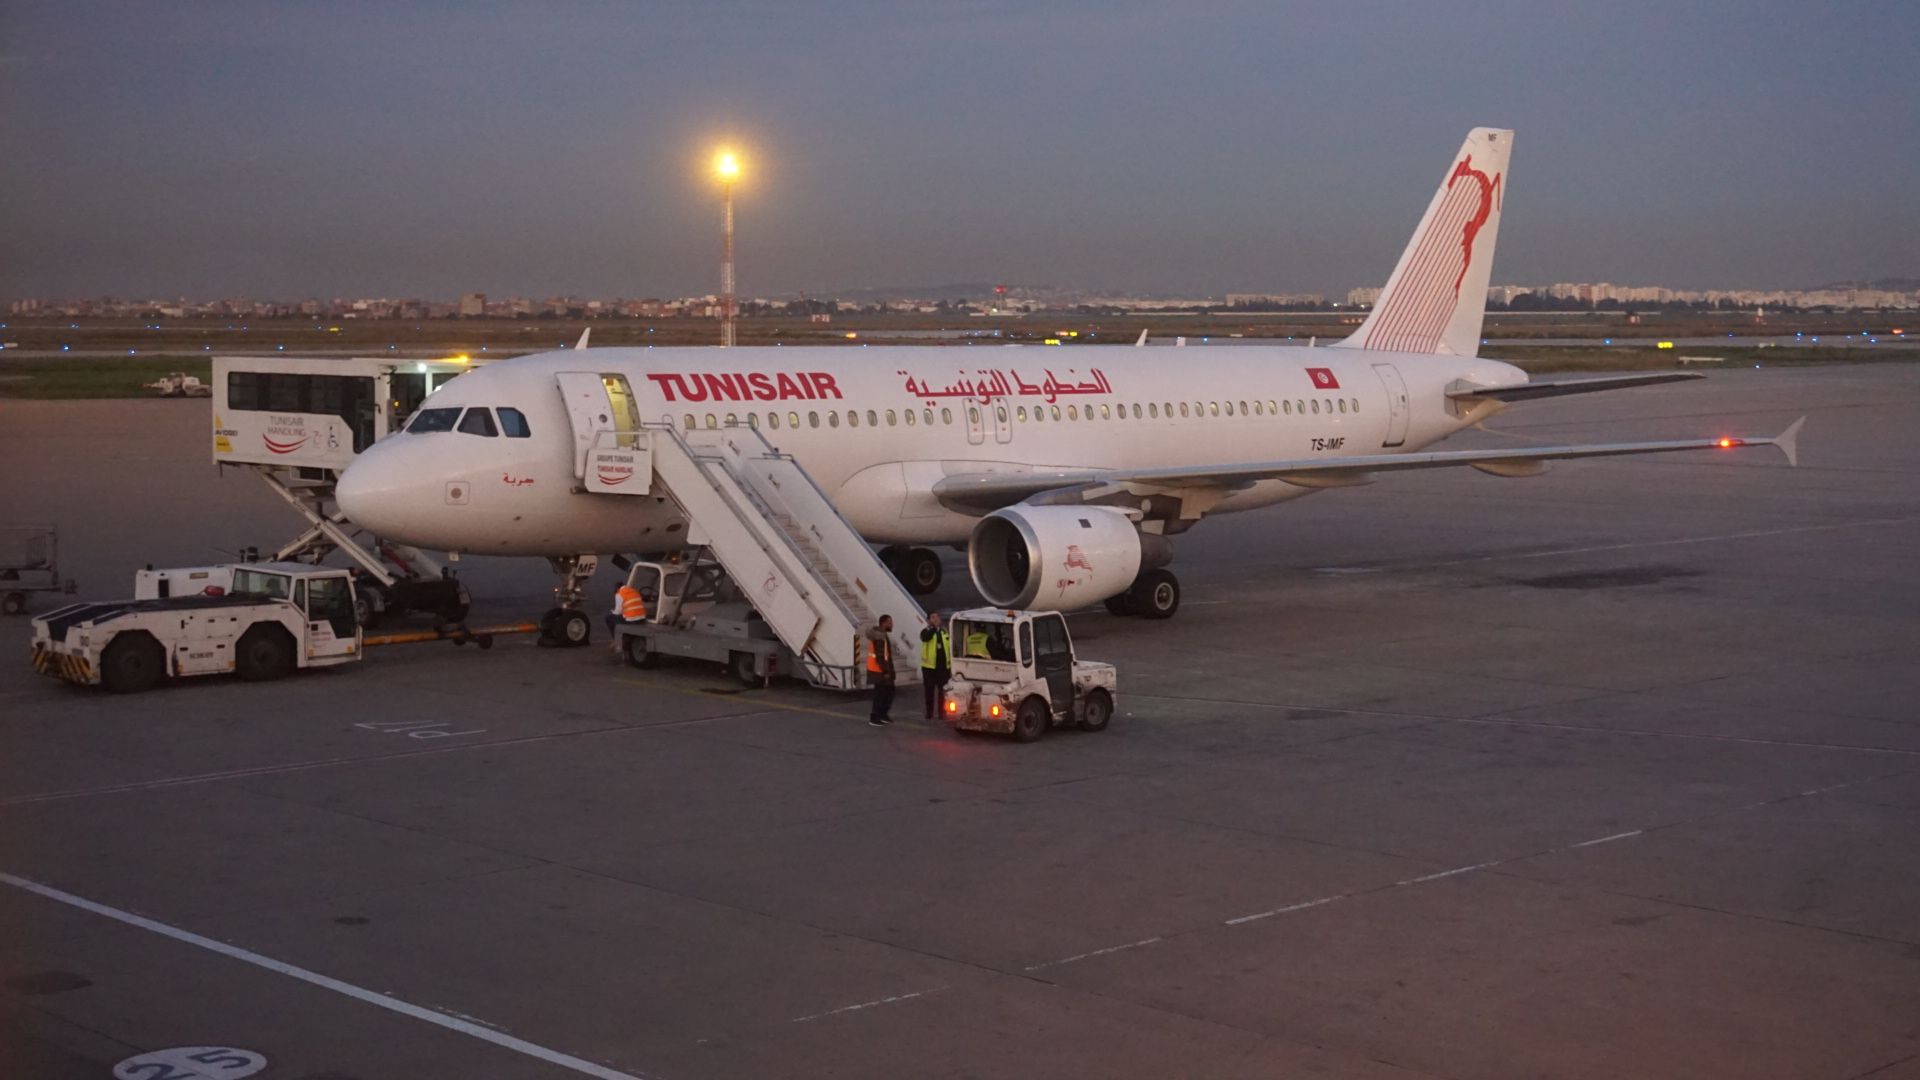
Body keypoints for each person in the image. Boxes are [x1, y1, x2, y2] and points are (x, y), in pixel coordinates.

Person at [919, 612, 952, 720]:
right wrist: (933, 627)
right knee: (929, 690)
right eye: (933, 617)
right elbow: (926, 638)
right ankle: (929, 712)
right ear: (928, 620)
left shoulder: (944, 631)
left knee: (943, 691)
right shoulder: (926, 631)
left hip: (943, 667)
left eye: (937, 616)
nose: (936, 619)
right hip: (929, 667)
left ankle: (941, 712)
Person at [866, 614, 896, 726]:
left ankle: (882, 715)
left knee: (887, 692)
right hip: (879, 671)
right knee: (881, 694)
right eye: (890, 622)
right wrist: (886, 671)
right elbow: (880, 656)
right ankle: (875, 717)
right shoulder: (880, 638)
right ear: (884, 623)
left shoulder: (881, 635)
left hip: (880, 670)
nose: (892, 624)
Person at [605, 578, 647, 644]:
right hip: (642, 618)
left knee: (608, 618)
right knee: (622, 617)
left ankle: (616, 640)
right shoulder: (634, 591)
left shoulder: (619, 593)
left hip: (632, 620)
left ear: (617, 588)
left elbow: (618, 612)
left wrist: (613, 612)